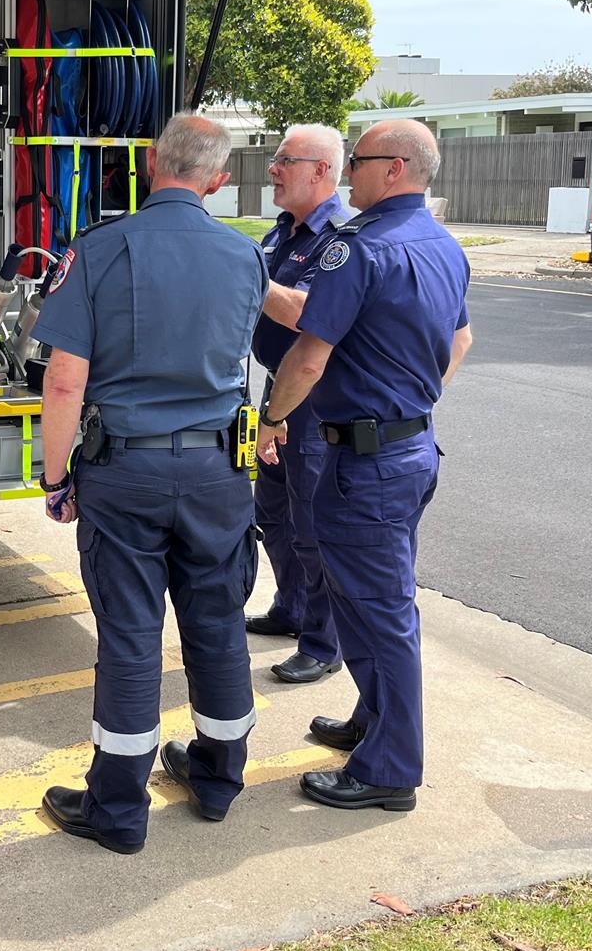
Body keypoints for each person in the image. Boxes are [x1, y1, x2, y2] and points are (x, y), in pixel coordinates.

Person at [32, 113, 268, 854]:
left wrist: (55, 474)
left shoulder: (99, 251)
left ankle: (117, 811)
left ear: (147, 161)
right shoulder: (245, 256)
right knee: (218, 625)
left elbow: (65, 382)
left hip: (125, 471)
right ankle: (218, 778)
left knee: (132, 638)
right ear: (220, 179)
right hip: (218, 472)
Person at [257, 119, 472, 813]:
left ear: (397, 167)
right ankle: (373, 722)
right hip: (405, 450)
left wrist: (274, 416)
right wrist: (410, 396)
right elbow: (458, 339)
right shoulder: (441, 244)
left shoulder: (359, 248)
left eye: (358, 161)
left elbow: (310, 354)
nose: (349, 172)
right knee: (363, 602)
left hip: (368, 460)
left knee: (381, 614)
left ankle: (389, 769)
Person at [247, 125, 351, 687]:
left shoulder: (337, 239)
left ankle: (323, 640)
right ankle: (291, 608)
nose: (273, 169)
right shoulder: (281, 232)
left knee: (312, 523)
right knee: (272, 512)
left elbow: (306, 315)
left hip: (313, 397)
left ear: (322, 170)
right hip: (277, 388)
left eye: (285, 160)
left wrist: (245, 272)